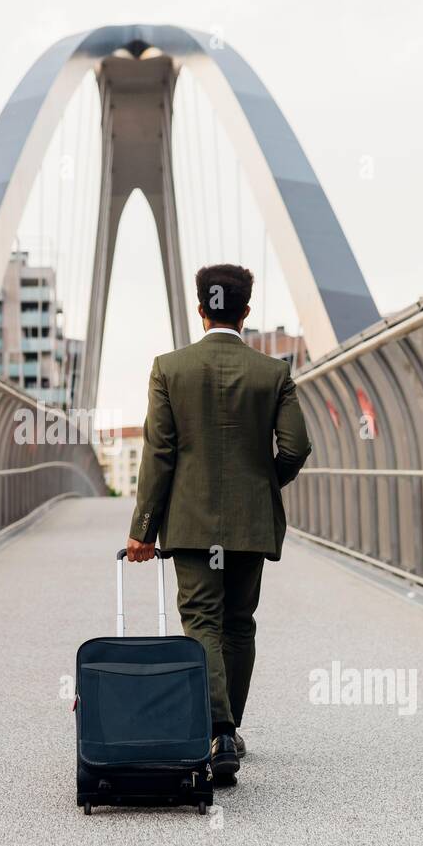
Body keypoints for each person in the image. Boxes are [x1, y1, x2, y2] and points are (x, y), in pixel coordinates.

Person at [125, 263, 311, 783]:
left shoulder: (169, 368)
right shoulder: (273, 373)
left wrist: (143, 527)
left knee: (201, 621)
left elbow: (159, 454)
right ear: (246, 311)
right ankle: (229, 731)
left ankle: (217, 730)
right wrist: (262, 484)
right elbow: (297, 447)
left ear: (200, 310)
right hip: (251, 523)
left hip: (190, 523)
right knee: (239, 623)